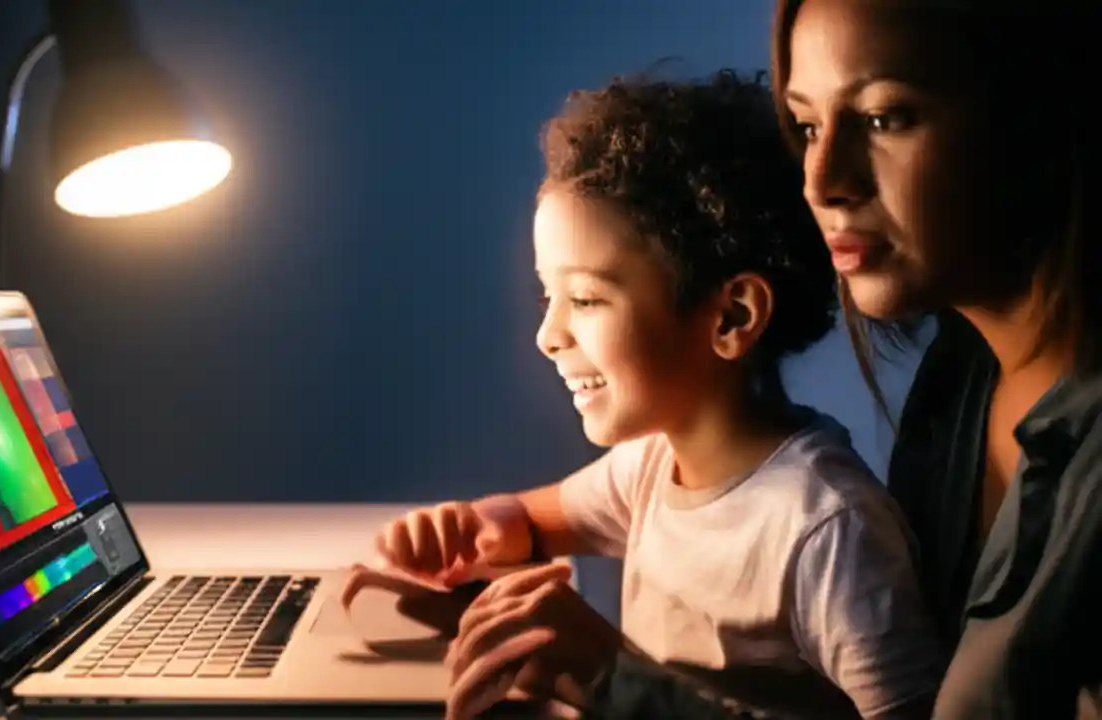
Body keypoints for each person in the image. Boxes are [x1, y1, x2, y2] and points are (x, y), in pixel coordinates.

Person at [445, 2, 1102, 718]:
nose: (820, 181)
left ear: (1033, 111)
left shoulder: (834, 516)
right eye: (808, 127)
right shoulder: (956, 383)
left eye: (885, 118)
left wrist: (620, 684)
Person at [366, 71, 943, 719]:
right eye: (548, 295)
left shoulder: (827, 528)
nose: (548, 336)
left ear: (731, 317)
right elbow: (527, 522)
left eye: (585, 298)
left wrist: (612, 675)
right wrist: (469, 529)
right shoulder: (649, 466)